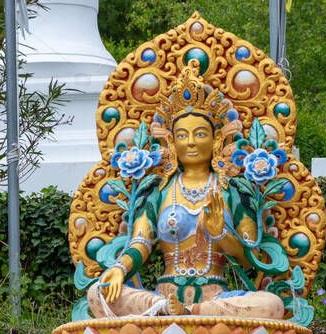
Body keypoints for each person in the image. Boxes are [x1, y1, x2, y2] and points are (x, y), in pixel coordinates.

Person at [87, 65, 286, 320]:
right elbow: (141, 242)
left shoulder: (231, 190)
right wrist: (118, 268)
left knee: (271, 305)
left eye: (200, 133)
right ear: (171, 141)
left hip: (216, 301)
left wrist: (221, 234)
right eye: (182, 135)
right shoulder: (158, 190)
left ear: (216, 140)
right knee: (98, 292)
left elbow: (252, 257)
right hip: (161, 298)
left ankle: (191, 312)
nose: (191, 141)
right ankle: (165, 311)